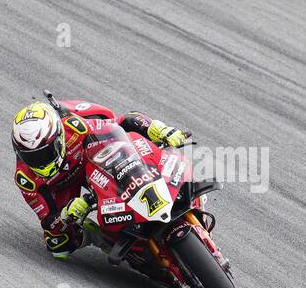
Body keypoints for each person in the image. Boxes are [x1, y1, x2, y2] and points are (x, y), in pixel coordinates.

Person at [11, 98, 188, 259]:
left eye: (45, 153)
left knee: (129, 142)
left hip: (88, 157)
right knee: (58, 245)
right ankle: (98, 236)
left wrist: (158, 129)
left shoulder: (74, 128)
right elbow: (48, 220)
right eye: (31, 157)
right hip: (63, 188)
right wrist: (65, 215)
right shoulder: (26, 179)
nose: (40, 163)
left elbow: (123, 122)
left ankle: (161, 178)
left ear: (59, 138)